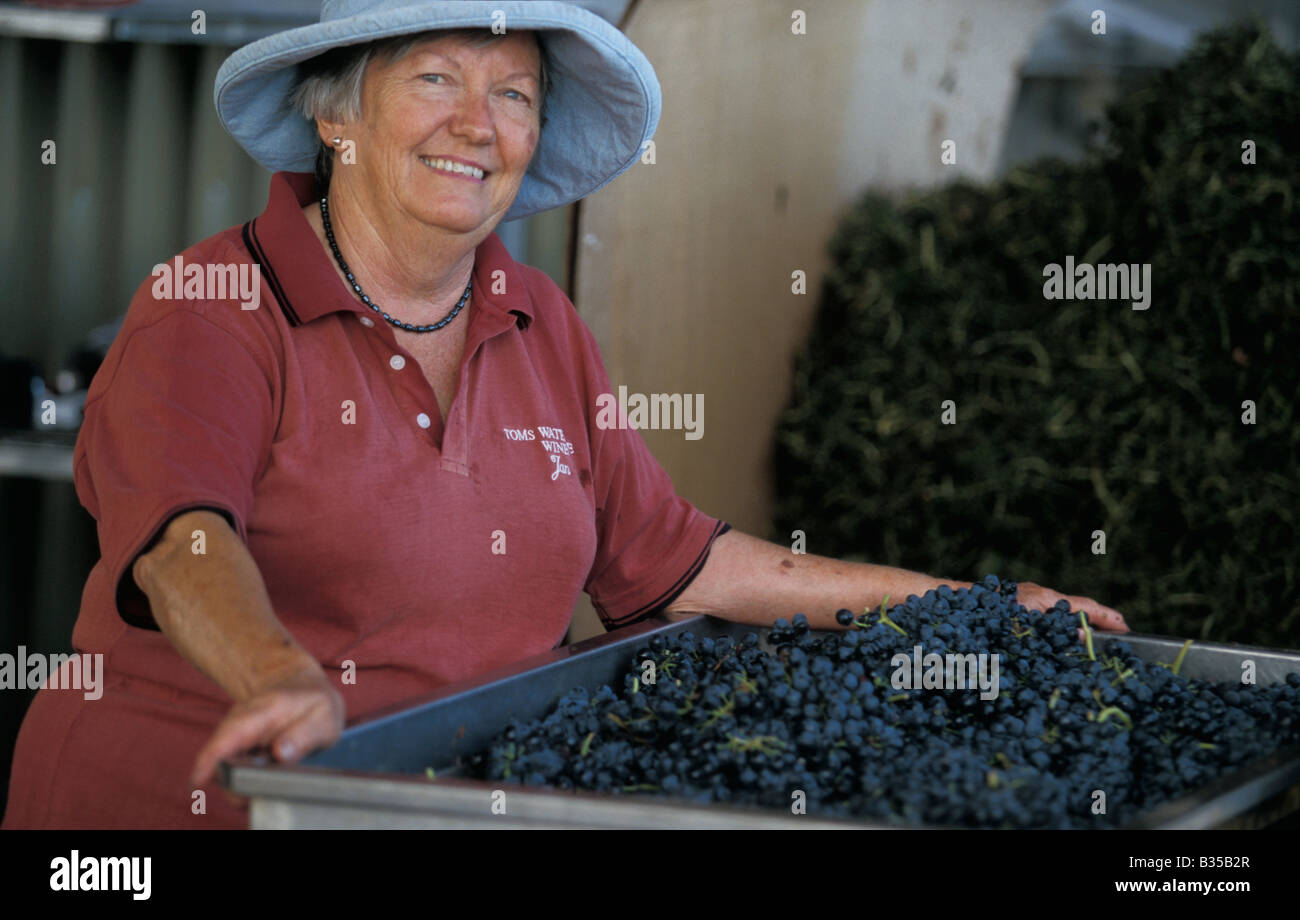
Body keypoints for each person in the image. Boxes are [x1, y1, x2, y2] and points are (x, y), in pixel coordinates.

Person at [3, 0, 1125, 830]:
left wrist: (976, 613)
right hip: (185, 806)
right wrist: (274, 671)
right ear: (338, 116)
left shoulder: (538, 316)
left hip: (441, 808)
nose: (478, 124)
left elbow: (683, 562)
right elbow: (180, 538)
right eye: (435, 77)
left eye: (516, 92)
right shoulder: (212, 305)